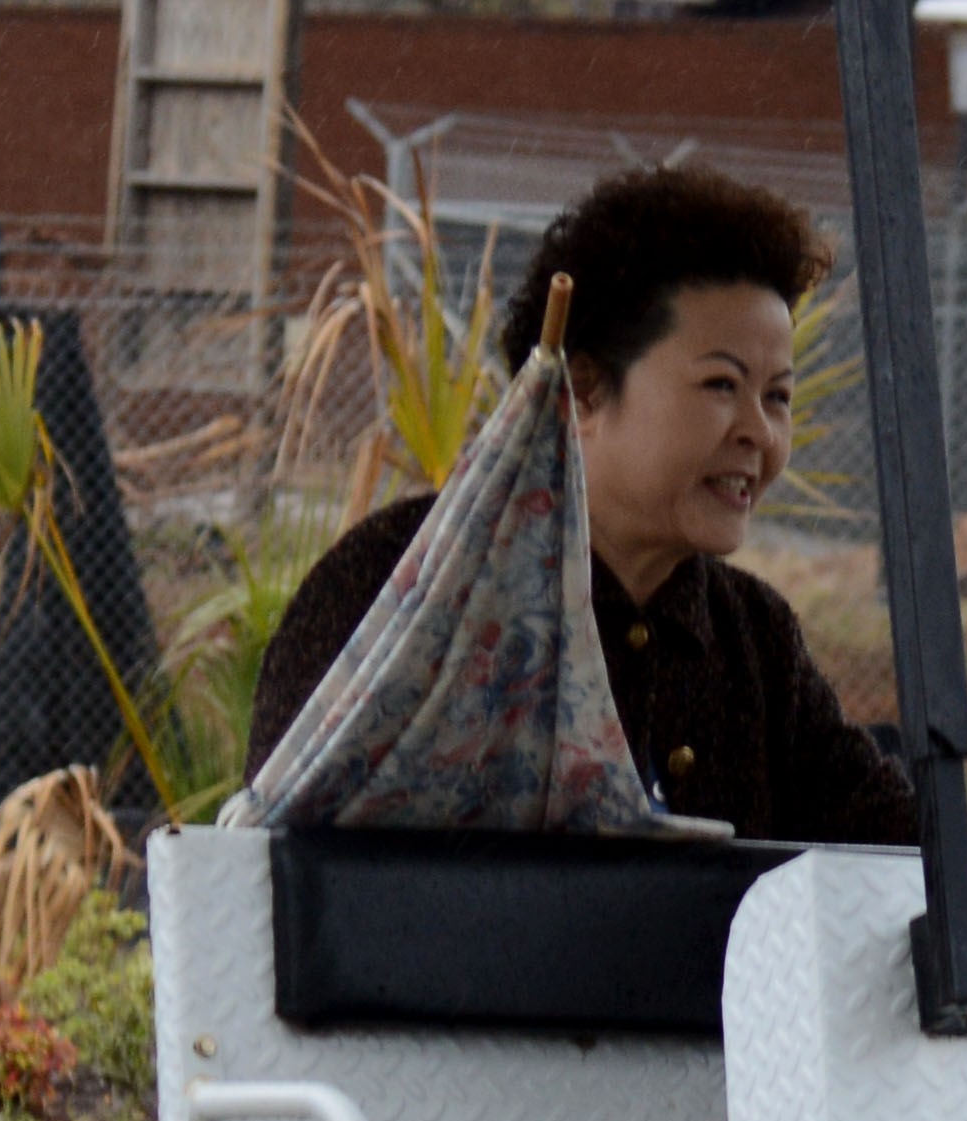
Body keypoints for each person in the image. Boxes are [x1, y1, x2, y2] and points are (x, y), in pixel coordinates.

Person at [247, 163, 923, 846]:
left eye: (777, 396)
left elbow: (895, 832)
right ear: (583, 391)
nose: (760, 432)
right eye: (722, 384)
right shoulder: (394, 580)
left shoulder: (753, 635)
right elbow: (276, 855)